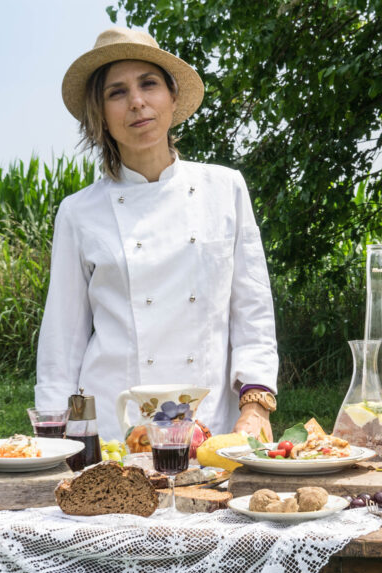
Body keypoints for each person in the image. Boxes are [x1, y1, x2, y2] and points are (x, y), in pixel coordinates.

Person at [35, 27, 279, 442]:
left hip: (211, 427)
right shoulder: (78, 212)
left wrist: (255, 407)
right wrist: (50, 436)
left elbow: (252, 313)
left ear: (172, 96)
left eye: (148, 84)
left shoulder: (225, 189)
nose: (136, 102)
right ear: (101, 115)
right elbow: (63, 338)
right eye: (117, 92)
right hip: (115, 428)